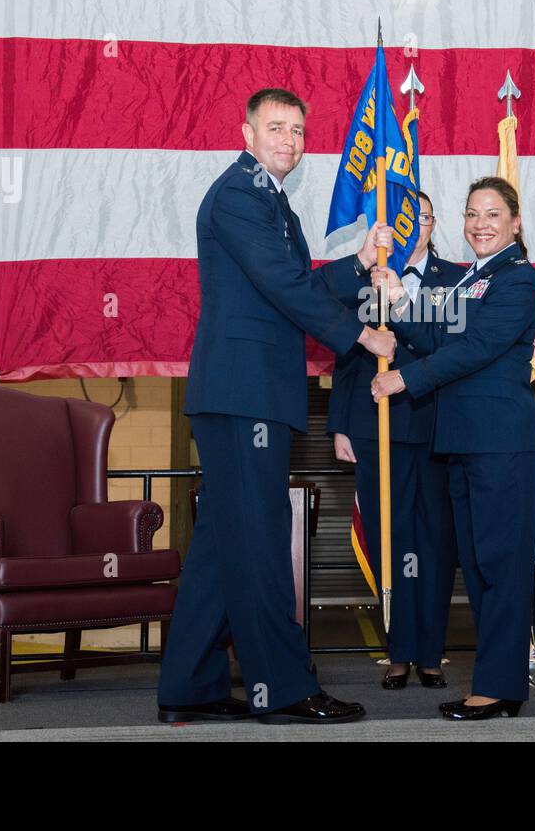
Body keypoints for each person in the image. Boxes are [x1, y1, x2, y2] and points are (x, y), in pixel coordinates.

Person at [157, 88, 396, 725]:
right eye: (275, 128)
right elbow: (286, 287)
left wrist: (359, 263)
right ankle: (283, 689)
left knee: (222, 545)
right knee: (262, 542)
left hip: (251, 393)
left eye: (296, 129)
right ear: (247, 132)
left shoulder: (271, 201)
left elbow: (301, 283)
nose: (288, 139)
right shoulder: (239, 194)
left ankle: (190, 685)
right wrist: (361, 335)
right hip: (243, 395)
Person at [370, 176, 535, 720]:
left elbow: (474, 349)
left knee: (500, 567)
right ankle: (497, 683)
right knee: (479, 565)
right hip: (465, 445)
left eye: (492, 214)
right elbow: (443, 337)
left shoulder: (518, 280)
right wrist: (398, 300)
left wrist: (404, 380)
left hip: (500, 446)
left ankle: (498, 688)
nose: (480, 224)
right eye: (471, 214)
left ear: (515, 222)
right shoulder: (473, 279)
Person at [326, 193, 462, 689]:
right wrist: (340, 423)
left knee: (435, 541)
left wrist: (401, 300)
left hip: (433, 426)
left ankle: (431, 651)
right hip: (375, 423)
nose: (415, 224)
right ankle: (398, 650)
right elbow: (346, 352)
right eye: (406, 217)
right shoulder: (365, 279)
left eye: (423, 216)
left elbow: (450, 344)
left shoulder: (454, 279)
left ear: (432, 223)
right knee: (390, 540)